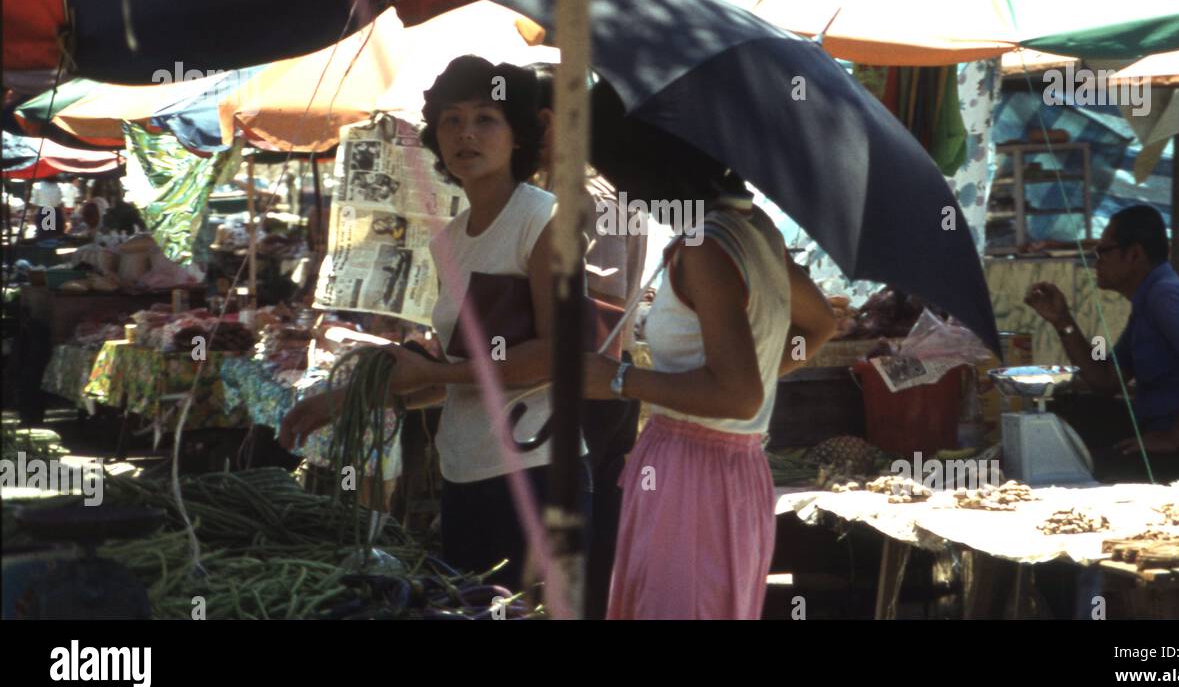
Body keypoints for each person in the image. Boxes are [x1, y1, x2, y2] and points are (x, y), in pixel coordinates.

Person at [279, 55, 587, 591]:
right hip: (464, 475)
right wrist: (343, 402)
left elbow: (559, 355)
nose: (466, 133)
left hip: (536, 474)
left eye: (486, 118)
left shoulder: (543, 219)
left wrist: (436, 375)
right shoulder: (449, 240)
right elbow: (457, 378)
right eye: (452, 119)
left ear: (518, 135)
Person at [582, 99, 837, 619]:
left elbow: (738, 395)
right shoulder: (752, 227)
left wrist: (620, 380)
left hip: (694, 477)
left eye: (620, 174)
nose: (625, 193)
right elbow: (818, 325)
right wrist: (760, 372)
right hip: (730, 470)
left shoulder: (706, 249)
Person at [525, 63, 649, 619]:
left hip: (589, 393)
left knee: (580, 550)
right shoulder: (592, 188)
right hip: (605, 389)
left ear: (548, 122)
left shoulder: (581, 195)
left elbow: (597, 307)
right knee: (593, 545)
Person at [1025, 205, 1179, 495]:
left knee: (1081, 474)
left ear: (1134, 255)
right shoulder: (1147, 303)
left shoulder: (1165, 297)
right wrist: (1063, 321)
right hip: (1177, 447)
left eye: (1102, 252)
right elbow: (1106, 380)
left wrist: (1173, 437)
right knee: (1078, 421)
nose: (1096, 262)